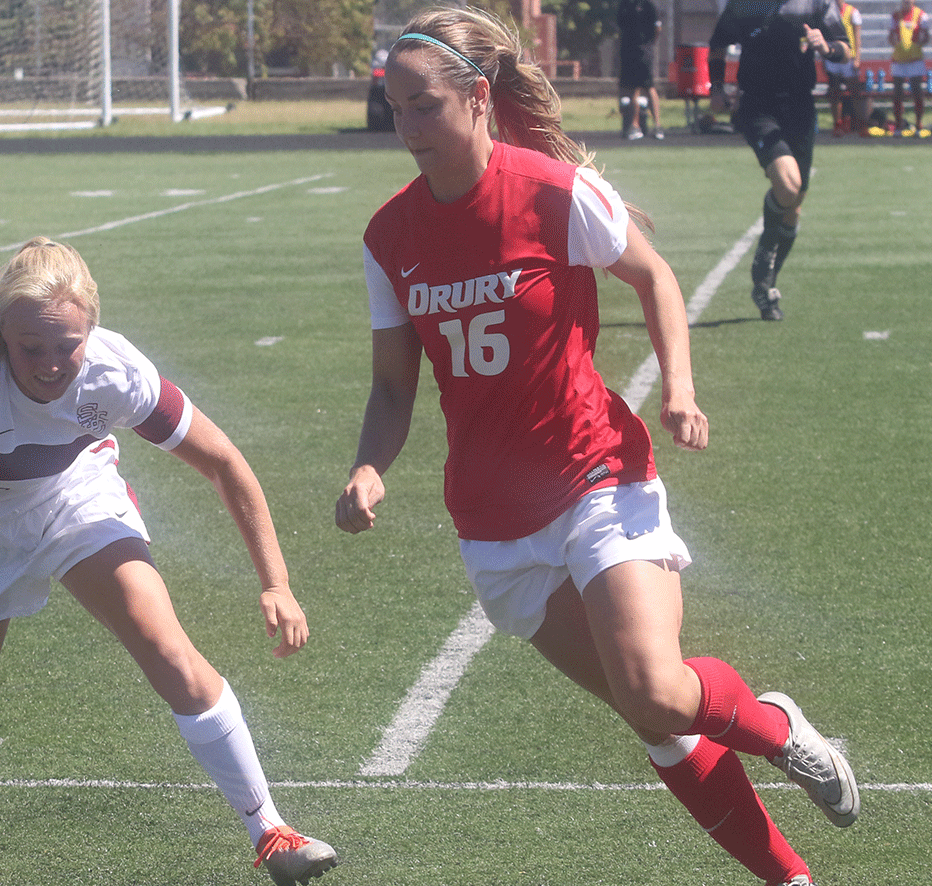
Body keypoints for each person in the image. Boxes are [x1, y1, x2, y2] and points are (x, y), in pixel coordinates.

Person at [348, 10, 859, 886]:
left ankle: (778, 731)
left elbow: (653, 277)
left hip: (595, 476)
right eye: (395, 109)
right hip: (493, 522)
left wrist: (680, 389)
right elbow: (394, 388)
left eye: (424, 105)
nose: (408, 128)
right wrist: (367, 466)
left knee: (655, 687)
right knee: (654, 721)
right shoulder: (388, 236)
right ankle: (791, 877)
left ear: (479, 97)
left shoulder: (553, 191)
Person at [0, 237, 340, 886]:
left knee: (167, 648)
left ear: (90, 328)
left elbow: (223, 462)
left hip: (76, 500)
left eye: (66, 345)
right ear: (2, 334)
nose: (48, 364)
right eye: (29, 347)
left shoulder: (115, 372)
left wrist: (276, 582)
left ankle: (271, 830)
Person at [711, 0, 855, 321]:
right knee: (788, 186)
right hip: (758, 105)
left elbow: (846, 50)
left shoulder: (816, 3)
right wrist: (717, 87)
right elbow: (718, 44)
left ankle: (766, 285)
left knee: (794, 204)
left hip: (800, 107)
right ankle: (764, 255)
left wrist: (826, 47)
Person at [617, 0, 664, 139]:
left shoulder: (648, 5)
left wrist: (648, 45)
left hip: (644, 52)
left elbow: (657, 28)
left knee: (646, 87)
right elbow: (621, 26)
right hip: (628, 52)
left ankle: (654, 126)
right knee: (630, 88)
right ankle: (634, 125)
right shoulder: (625, 4)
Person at [889, 0, 932, 136]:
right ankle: (898, 124)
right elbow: (891, 36)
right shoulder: (895, 16)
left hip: (915, 60)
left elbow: (926, 37)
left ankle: (918, 123)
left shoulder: (921, 15)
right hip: (899, 60)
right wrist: (896, 44)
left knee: (917, 91)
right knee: (897, 93)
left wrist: (917, 44)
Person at [824, 0, 867, 134]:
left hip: (848, 57)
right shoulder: (827, 12)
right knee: (834, 91)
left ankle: (861, 124)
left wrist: (857, 58)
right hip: (833, 55)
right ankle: (837, 124)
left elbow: (857, 37)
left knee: (855, 91)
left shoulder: (852, 12)